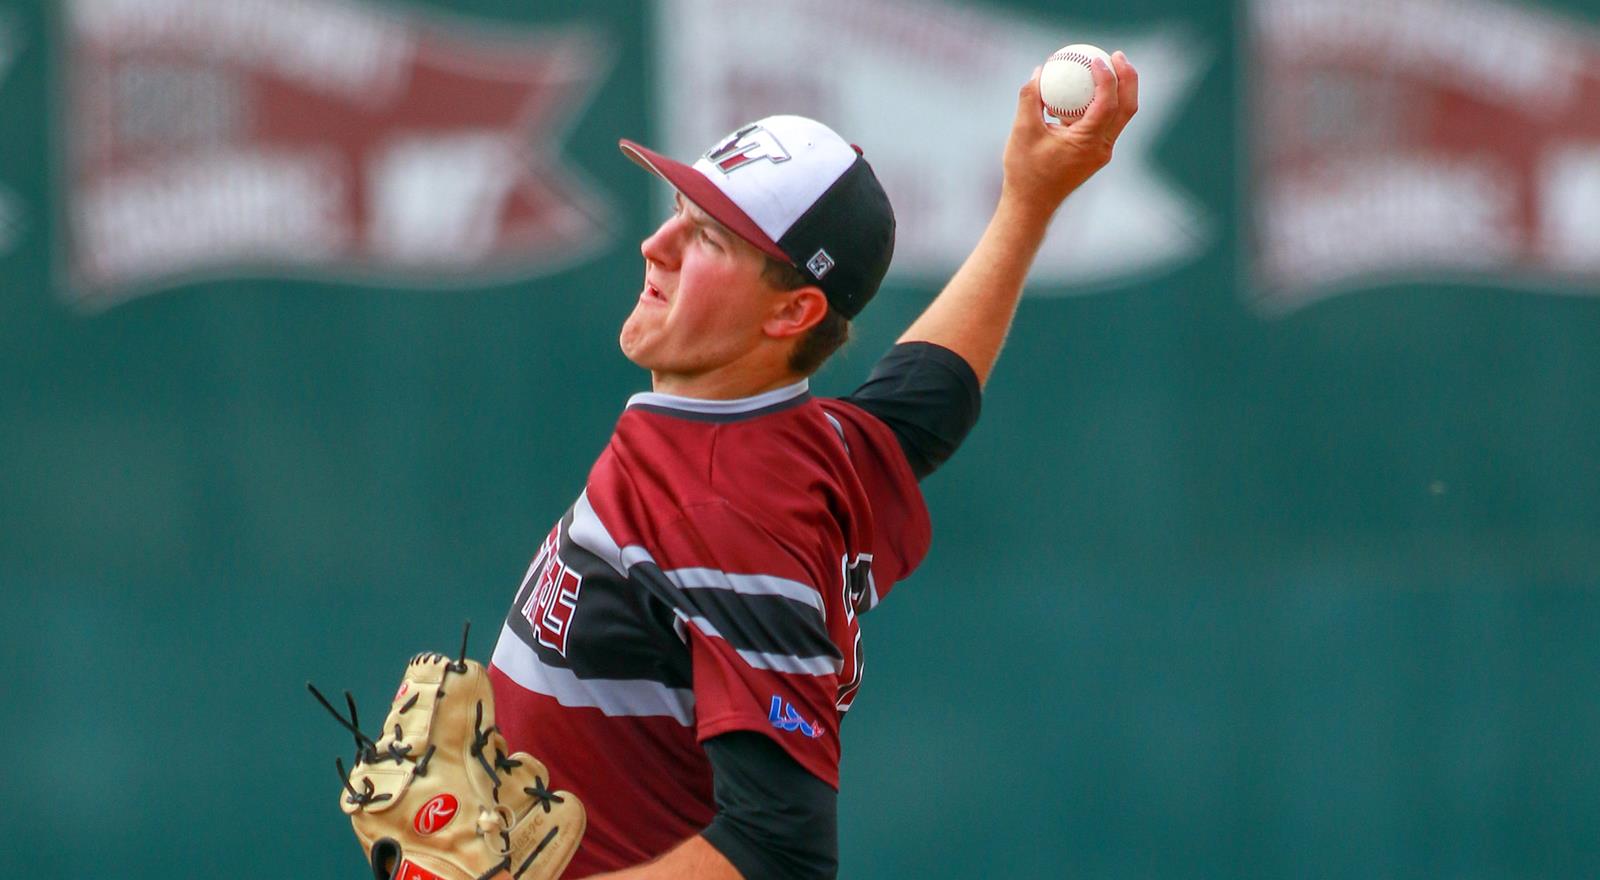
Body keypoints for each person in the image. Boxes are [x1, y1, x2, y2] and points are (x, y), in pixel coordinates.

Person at [486, 53, 1139, 879]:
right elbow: (924, 400)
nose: (658, 245)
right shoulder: (796, 443)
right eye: (680, 210)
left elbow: (779, 849)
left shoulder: (723, 511)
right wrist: (1027, 201)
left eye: (707, 237)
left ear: (794, 311)